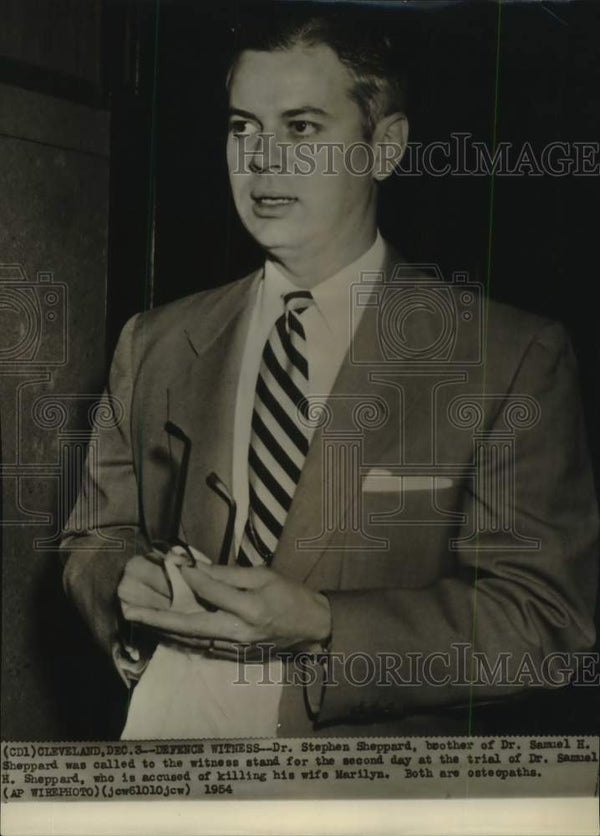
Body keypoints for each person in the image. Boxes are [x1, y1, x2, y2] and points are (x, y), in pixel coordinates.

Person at [61, 12, 598, 738]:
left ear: (386, 146)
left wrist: (324, 626)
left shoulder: (510, 357)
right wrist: (124, 591)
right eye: (244, 127)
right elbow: (97, 536)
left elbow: (548, 621)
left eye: (302, 128)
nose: (262, 160)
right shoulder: (153, 341)